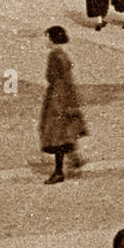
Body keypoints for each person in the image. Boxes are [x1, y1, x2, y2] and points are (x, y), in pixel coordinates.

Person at [39, 25, 86, 184]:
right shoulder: (62, 55)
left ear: (52, 39)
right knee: (63, 132)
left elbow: (53, 78)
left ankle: (58, 172)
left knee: (56, 135)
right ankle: (73, 156)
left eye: (47, 37)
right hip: (62, 96)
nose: (46, 41)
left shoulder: (55, 56)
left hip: (57, 98)